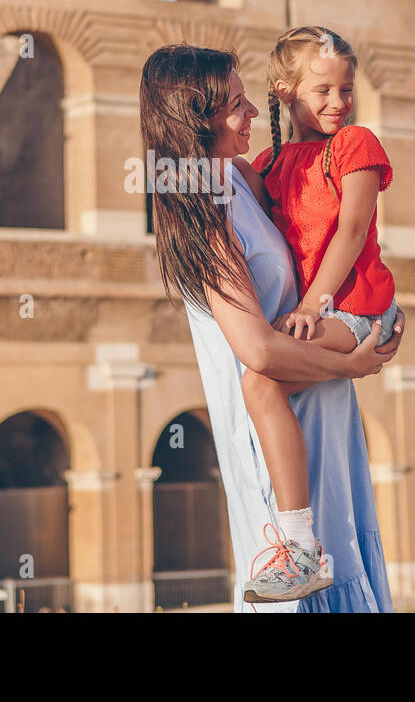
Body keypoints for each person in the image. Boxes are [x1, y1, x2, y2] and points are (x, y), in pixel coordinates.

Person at [139, 42, 401, 612]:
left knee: (348, 561)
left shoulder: (243, 176)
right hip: (276, 425)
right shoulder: (201, 209)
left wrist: (369, 308)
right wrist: (353, 361)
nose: (254, 113)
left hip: (318, 404)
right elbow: (257, 349)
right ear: (195, 117)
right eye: (235, 105)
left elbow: (333, 233)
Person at [232, 26, 402, 602]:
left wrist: (310, 305)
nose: (339, 103)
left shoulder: (354, 144)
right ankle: (300, 543)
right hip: (323, 315)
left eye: (346, 90)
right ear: (284, 92)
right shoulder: (269, 161)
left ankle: (301, 547)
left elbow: (352, 231)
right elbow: (227, 188)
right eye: (322, 91)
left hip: (354, 307)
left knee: (260, 381)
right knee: (262, 387)